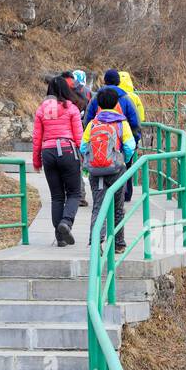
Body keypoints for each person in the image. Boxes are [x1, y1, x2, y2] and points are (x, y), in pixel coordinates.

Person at [81, 86, 137, 253]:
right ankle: (119, 244)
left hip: (97, 172)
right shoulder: (122, 123)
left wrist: (91, 162)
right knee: (118, 207)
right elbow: (130, 146)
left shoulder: (92, 123)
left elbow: (84, 147)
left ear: (98, 103)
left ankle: (96, 242)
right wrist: (124, 161)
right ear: (115, 103)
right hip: (116, 170)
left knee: (98, 206)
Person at [32, 75, 83, 246]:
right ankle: (66, 223)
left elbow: (36, 138)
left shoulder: (41, 110)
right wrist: (83, 156)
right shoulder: (71, 108)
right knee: (74, 193)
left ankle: (60, 238)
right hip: (68, 150)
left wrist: (36, 161)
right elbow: (79, 136)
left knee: (56, 196)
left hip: (48, 152)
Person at [84, 69, 142, 203]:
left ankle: (102, 196)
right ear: (119, 82)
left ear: (104, 81)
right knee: (124, 167)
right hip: (121, 142)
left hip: (99, 141)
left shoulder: (96, 98)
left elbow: (87, 120)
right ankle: (124, 196)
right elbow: (135, 122)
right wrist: (134, 140)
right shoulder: (126, 99)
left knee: (101, 165)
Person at [61, 70, 91, 207]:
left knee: (65, 165)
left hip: (64, 133)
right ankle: (79, 195)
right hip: (81, 132)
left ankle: (66, 194)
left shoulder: (62, 91)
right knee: (78, 164)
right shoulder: (87, 92)